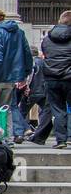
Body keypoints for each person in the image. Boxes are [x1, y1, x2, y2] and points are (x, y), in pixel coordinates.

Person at [0, 8, 34, 135]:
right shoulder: (19, 33)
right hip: (11, 78)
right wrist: (23, 75)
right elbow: (27, 55)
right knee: (7, 109)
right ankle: (8, 137)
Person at [39, 10, 71, 147]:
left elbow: (45, 55)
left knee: (58, 110)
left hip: (52, 78)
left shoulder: (46, 39)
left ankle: (61, 140)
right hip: (69, 77)